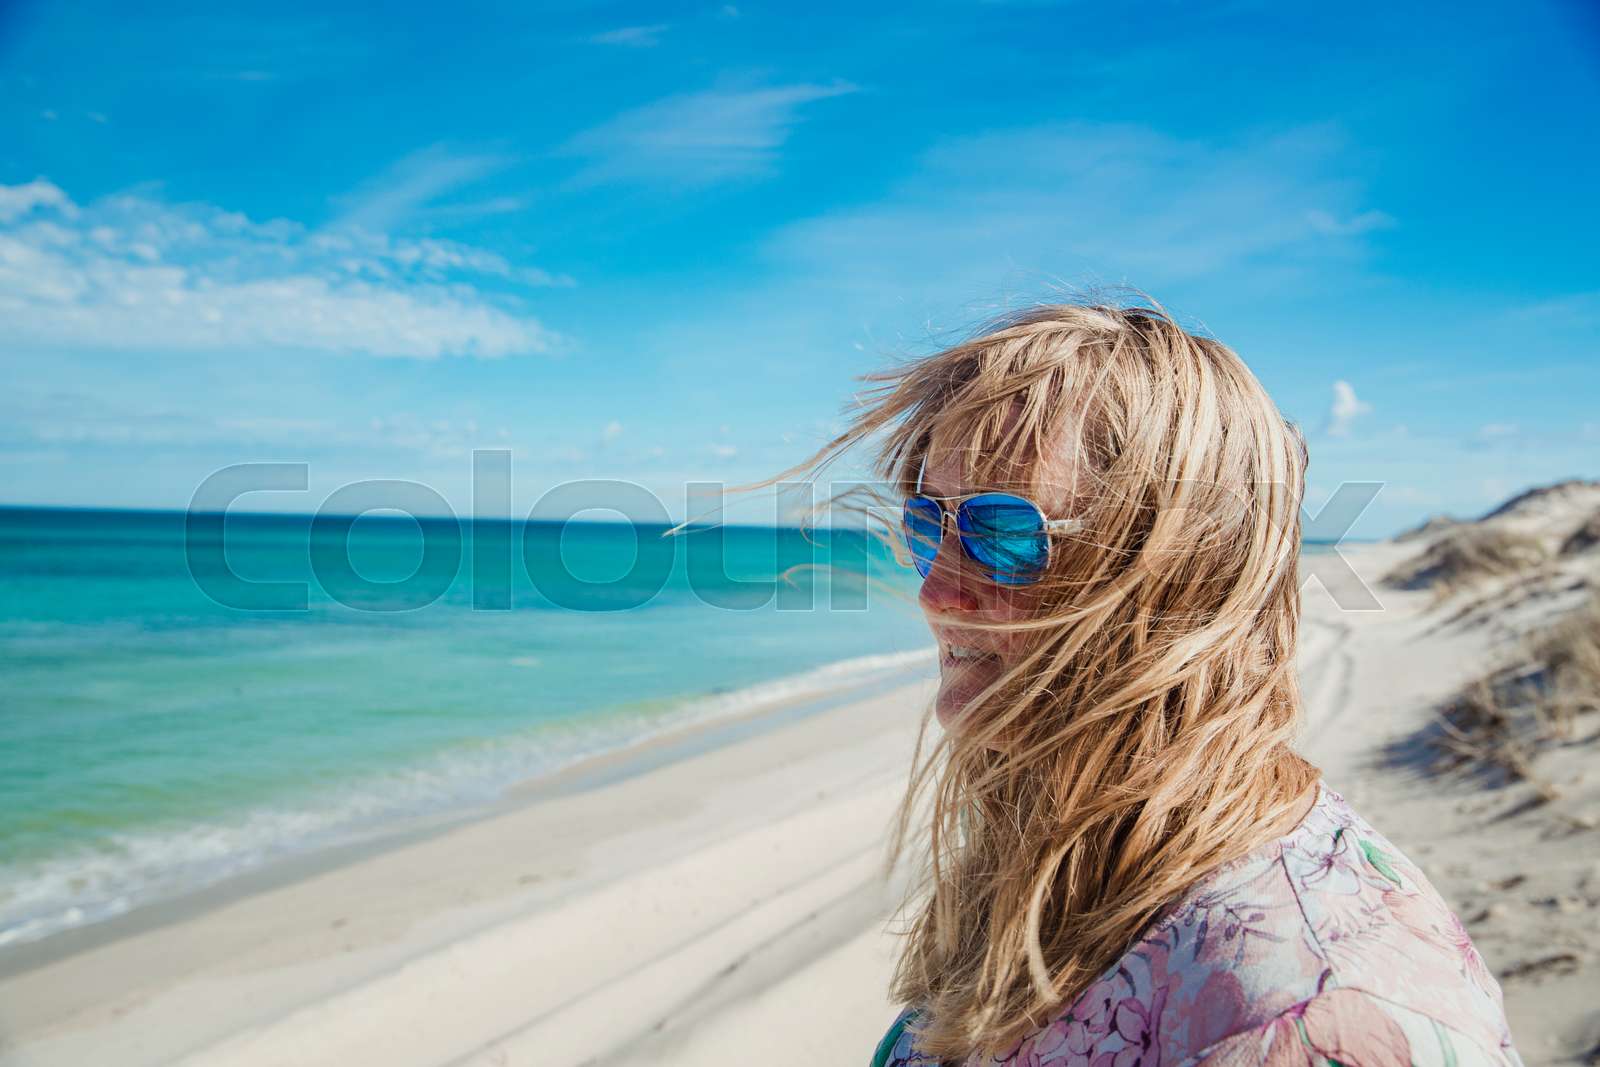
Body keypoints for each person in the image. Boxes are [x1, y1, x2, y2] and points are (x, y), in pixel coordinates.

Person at [783, 300, 1524, 1067]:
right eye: (928, 525)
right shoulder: (1063, 851)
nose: (936, 591)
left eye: (1003, 534)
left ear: (1187, 575)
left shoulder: (1310, 1020)